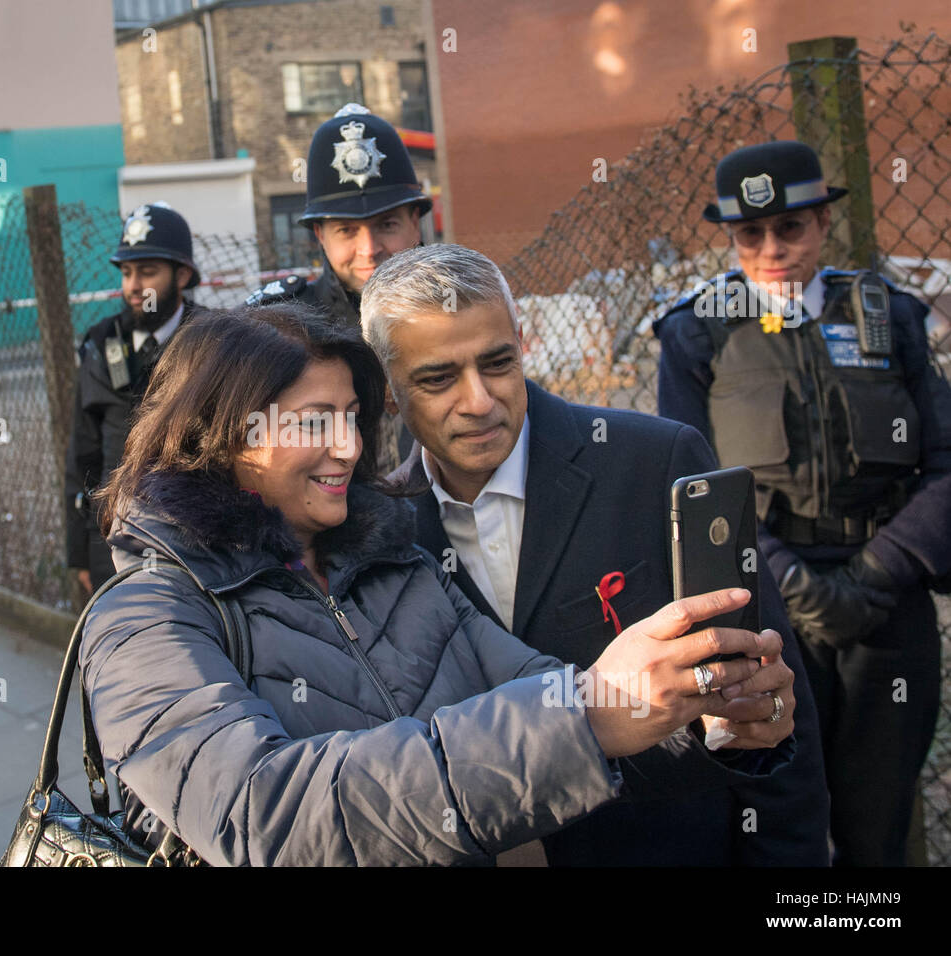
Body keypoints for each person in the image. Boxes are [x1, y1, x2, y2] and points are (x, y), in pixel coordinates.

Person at [78, 303, 796, 866]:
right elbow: (261, 812)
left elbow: (555, 707)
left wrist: (703, 718)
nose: (349, 448)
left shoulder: (394, 569)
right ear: (224, 432)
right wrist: (587, 711)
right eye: (315, 422)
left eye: (354, 418)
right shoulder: (144, 617)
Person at [364, 243, 827, 865]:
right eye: (438, 378)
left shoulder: (655, 464)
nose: (478, 400)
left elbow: (772, 706)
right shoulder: (377, 531)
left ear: (522, 343)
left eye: (498, 363)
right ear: (387, 389)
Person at [653, 140, 951, 866]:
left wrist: (880, 571)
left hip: (886, 600)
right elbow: (690, 484)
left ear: (822, 223)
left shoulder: (890, 317)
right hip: (765, 611)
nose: (771, 248)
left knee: (877, 825)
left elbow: (946, 463)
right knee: (775, 817)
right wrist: (785, 582)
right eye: (749, 233)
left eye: (791, 227)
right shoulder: (696, 331)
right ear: (729, 237)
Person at [248, 102, 432, 472]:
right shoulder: (280, 325)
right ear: (320, 235)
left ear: (415, 221)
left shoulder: (457, 310)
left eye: (387, 225)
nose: (369, 249)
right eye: (347, 231)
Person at [64, 201, 203, 599]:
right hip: (112, 540)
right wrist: (82, 554)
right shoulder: (100, 343)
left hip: (192, 541)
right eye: (127, 272)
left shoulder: (212, 342)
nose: (133, 286)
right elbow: (82, 456)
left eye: (147, 271)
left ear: (182, 274)